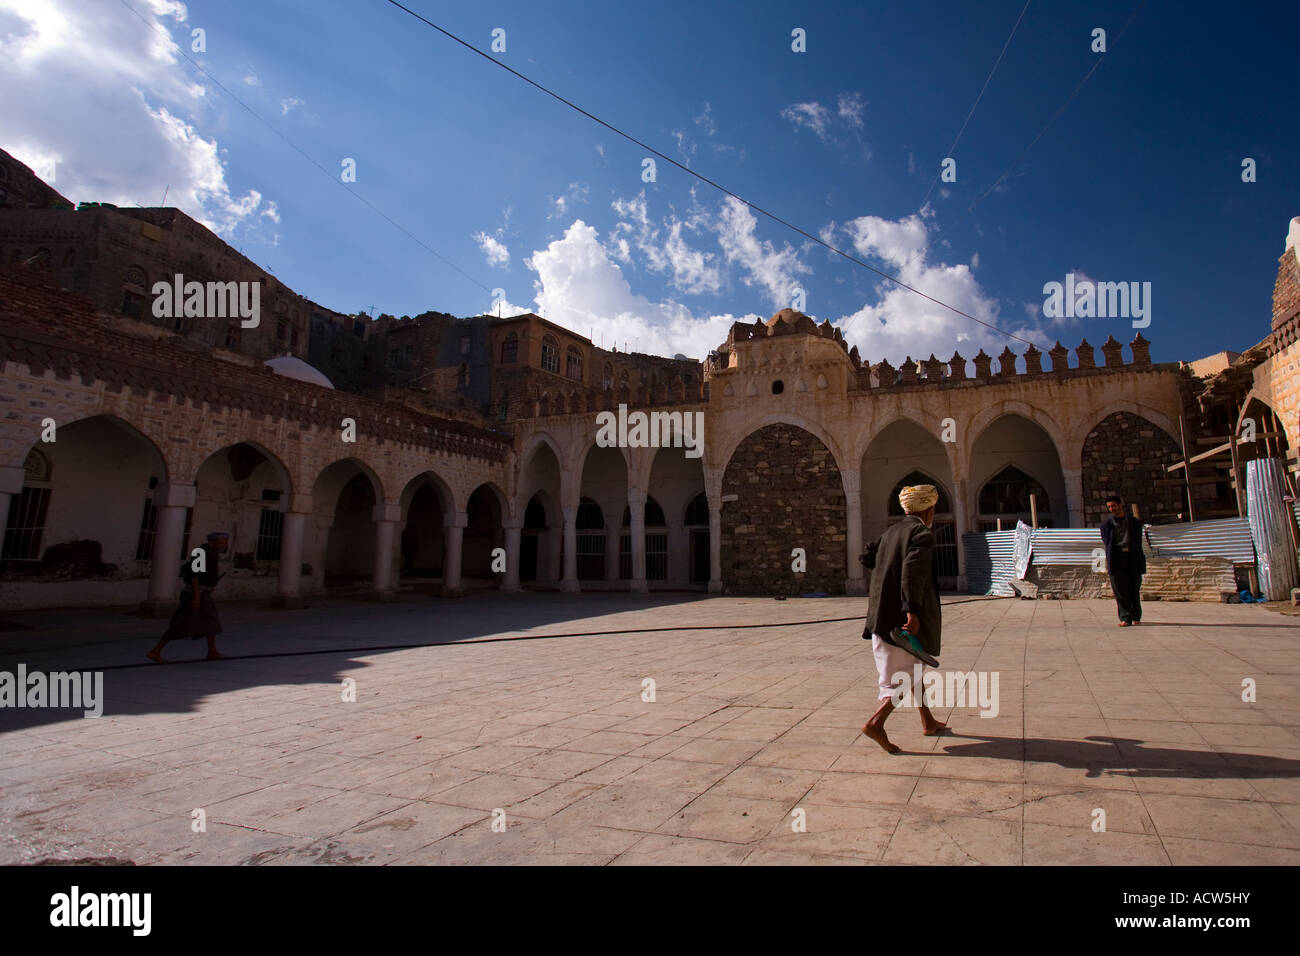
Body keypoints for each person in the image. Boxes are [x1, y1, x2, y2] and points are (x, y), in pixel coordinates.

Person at [860, 484, 946, 754]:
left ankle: (927, 720)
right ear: (929, 508)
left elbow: (866, 555)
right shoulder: (921, 533)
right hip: (900, 620)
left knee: (912, 668)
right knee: (903, 675)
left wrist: (887, 567)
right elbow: (913, 572)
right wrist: (912, 611)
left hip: (881, 616)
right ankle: (876, 722)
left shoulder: (891, 532)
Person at [147, 531, 229, 662]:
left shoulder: (212, 553)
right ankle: (155, 651)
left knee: (210, 622)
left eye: (224, 543)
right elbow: (194, 575)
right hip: (195, 594)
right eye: (220, 543)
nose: (223, 546)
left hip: (203, 593)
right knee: (181, 623)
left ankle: (212, 651)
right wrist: (196, 597)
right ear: (212, 542)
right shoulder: (202, 553)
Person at [1100, 494, 1146, 627]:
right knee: (1119, 590)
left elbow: (1137, 541)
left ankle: (1135, 615)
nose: (1112, 509)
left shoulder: (1133, 523)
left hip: (1132, 557)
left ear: (1120, 505)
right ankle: (1125, 617)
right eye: (1109, 507)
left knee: (1133, 587)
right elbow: (1107, 542)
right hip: (1116, 558)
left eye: (1113, 505)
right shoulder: (1106, 525)